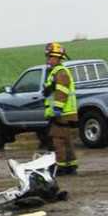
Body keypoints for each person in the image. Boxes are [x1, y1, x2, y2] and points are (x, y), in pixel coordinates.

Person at [42, 42, 78, 175]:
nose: (48, 60)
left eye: (50, 57)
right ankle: (71, 165)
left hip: (61, 113)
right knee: (66, 139)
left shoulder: (60, 73)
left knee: (58, 140)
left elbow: (62, 92)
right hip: (66, 112)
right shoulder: (57, 72)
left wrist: (57, 109)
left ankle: (61, 167)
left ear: (57, 58)